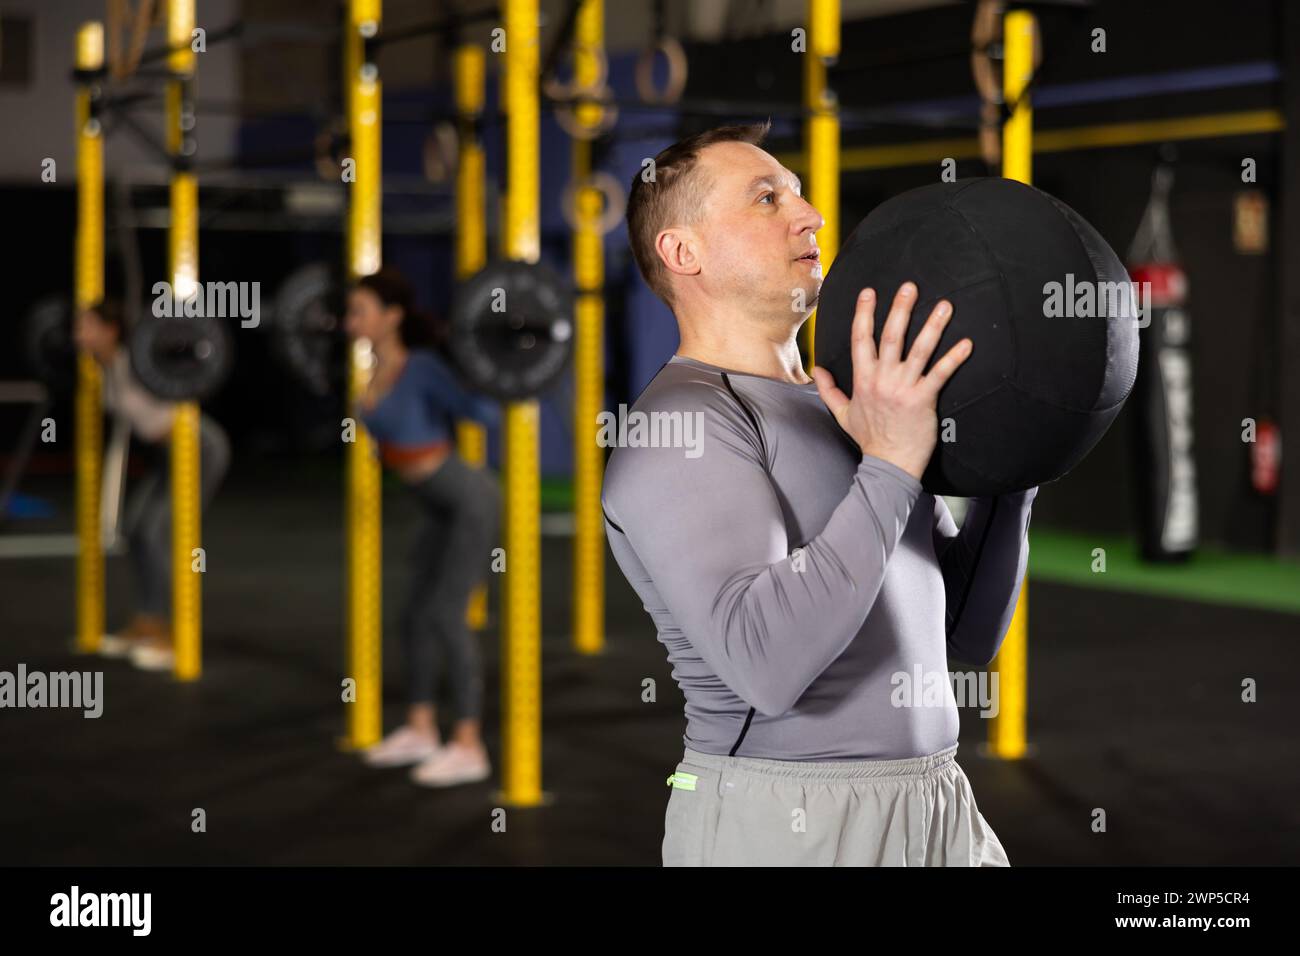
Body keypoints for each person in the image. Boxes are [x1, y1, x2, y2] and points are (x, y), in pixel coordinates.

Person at [603, 122, 1039, 866]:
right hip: (785, 816)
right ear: (684, 252)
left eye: (800, 196)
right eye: (767, 198)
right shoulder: (683, 425)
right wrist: (895, 464)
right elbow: (767, 664)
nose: (810, 217)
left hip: (935, 798)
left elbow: (963, 637)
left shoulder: (843, 402)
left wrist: (1012, 470)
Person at [345, 266, 501, 788]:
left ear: (391, 318)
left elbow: (484, 412)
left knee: (444, 615)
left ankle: (468, 743)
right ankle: (419, 726)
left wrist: (504, 367)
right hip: (435, 504)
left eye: (360, 311)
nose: (350, 322)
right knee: (413, 614)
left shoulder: (425, 366)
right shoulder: (371, 369)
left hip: (467, 500)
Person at [73, 299, 231, 671]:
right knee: (135, 529)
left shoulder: (139, 361)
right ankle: (147, 622)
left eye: (85, 326)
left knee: (156, 532)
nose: (77, 335)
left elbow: (185, 365)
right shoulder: (106, 368)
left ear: (110, 330)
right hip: (168, 455)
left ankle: (173, 637)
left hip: (198, 448)